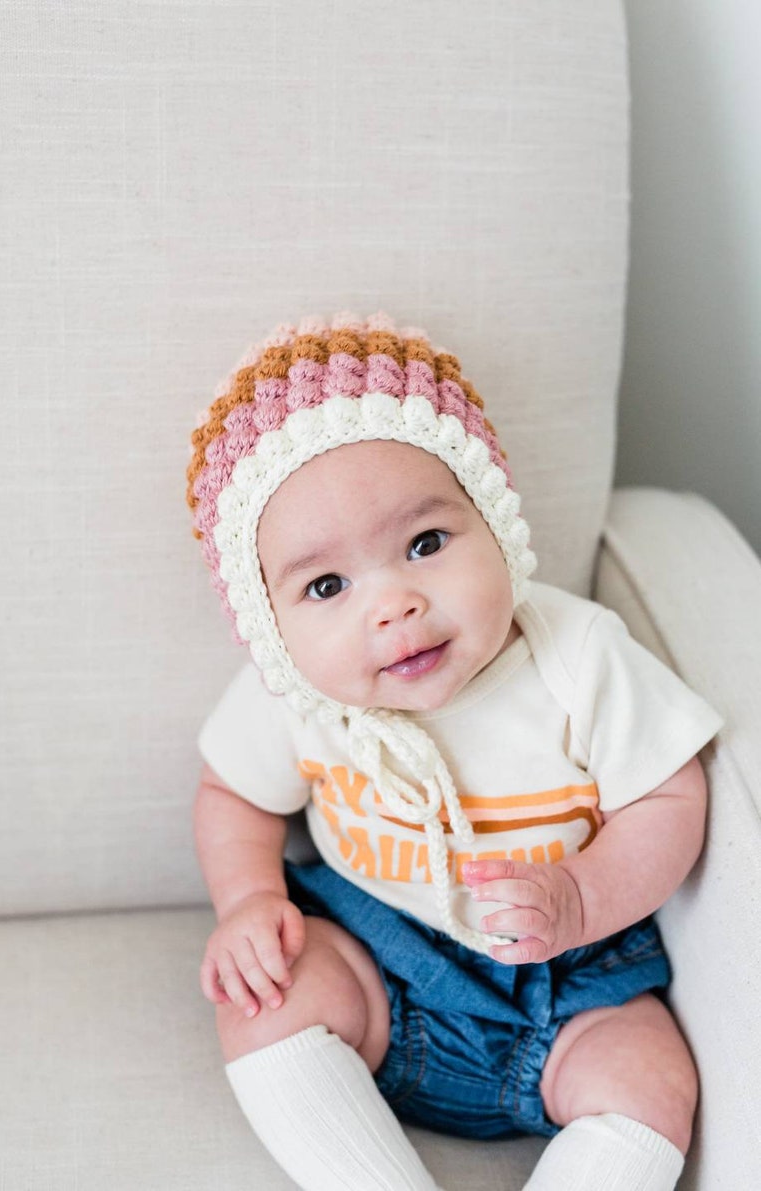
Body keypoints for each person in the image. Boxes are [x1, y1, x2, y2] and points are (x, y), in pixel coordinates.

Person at [186, 313, 722, 1191]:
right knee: (268, 998)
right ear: (271, 623)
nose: (393, 604)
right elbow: (232, 793)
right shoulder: (293, 693)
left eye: (426, 544)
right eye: (327, 585)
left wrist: (583, 895)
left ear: (494, 518)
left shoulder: (577, 654)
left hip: (571, 981)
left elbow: (670, 795)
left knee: (650, 1076)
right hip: (377, 964)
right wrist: (247, 899)